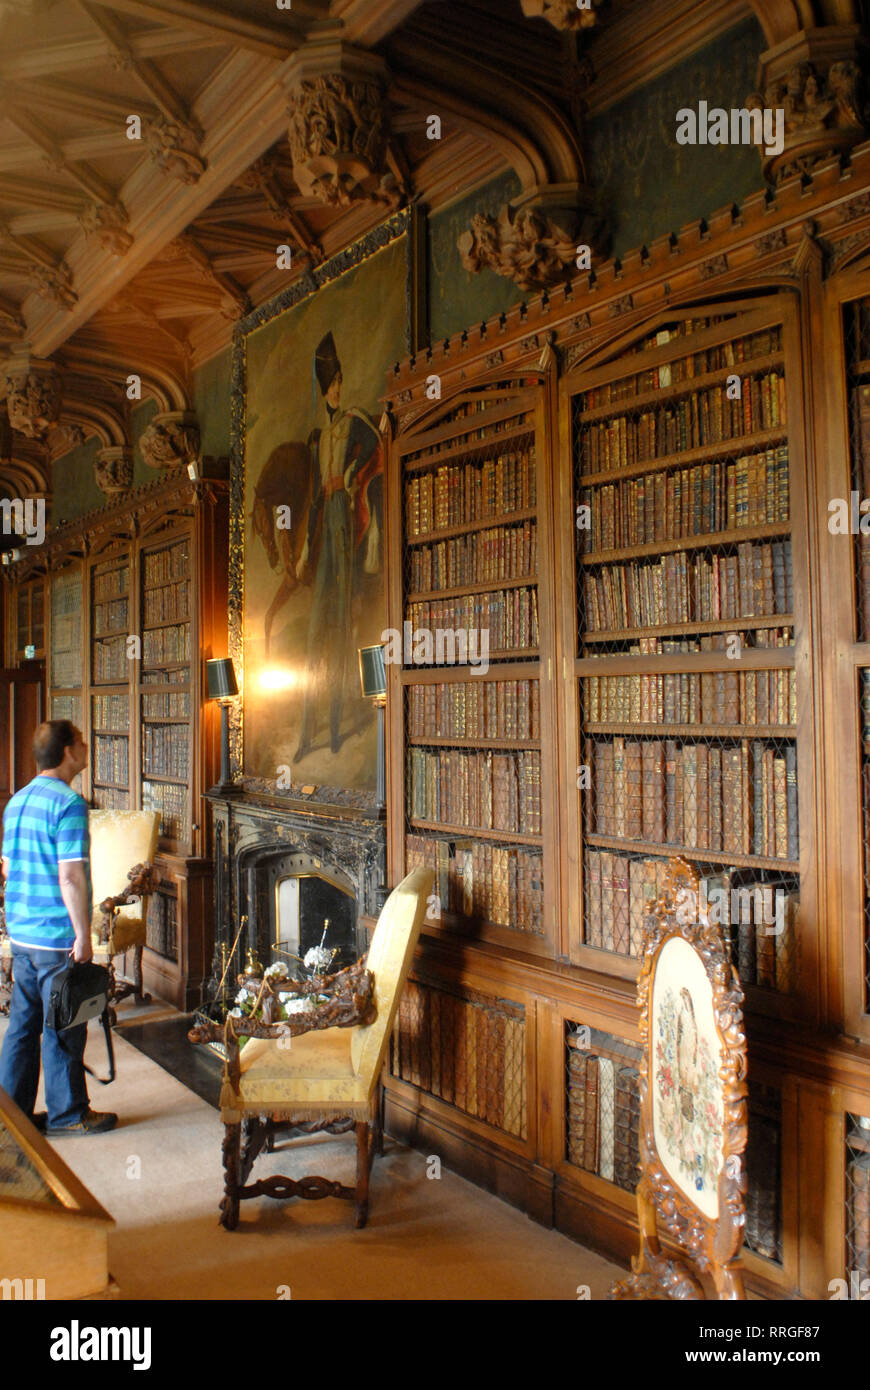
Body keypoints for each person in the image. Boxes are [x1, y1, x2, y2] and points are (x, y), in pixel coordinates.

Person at [0, 720, 117, 1136]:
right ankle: (68, 1114)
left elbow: (8, 869)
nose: (87, 747)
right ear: (68, 751)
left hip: (22, 933)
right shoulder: (68, 804)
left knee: (22, 1025)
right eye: (82, 741)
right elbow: (70, 877)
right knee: (64, 1022)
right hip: (53, 935)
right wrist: (82, 936)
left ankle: (12, 1119)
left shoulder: (18, 801)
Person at [293, 331, 383, 762]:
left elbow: (378, 450)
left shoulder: (354, 421)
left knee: (344, 617)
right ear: (324, 386)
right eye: (332, 383)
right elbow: (312, 497)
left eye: (340, 381)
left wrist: (351, 474)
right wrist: (304, 550)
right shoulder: (319, 437)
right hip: (324, 522)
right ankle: (308, 731)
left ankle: (335, 725)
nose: (337, 389)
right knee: (316, 628)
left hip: (345, 518)